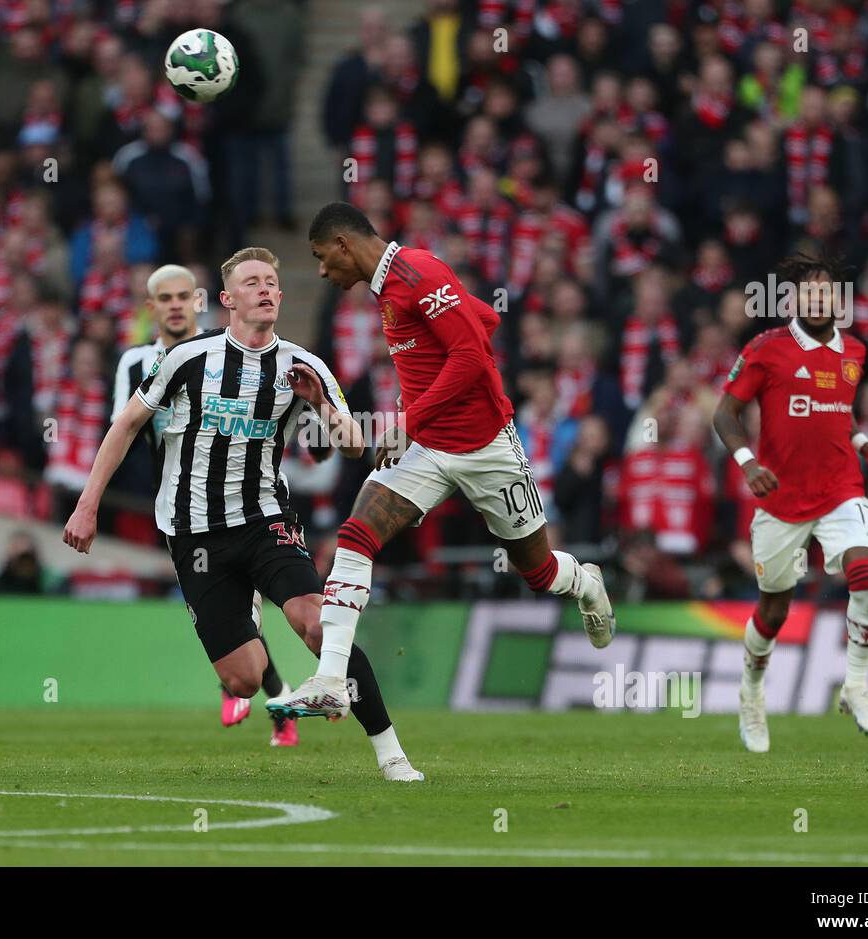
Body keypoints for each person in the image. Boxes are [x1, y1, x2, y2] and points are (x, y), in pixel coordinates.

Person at [64, 247, 424, 781]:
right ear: (228, 299)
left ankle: (392, 755)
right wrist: (87, 504)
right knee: (245, 680)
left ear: (279, 295)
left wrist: (321, 406)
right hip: (194, 534)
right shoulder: (187, 359)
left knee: (320, 625)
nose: (265, 289)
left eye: (272, 282)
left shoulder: (305, 364)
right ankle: (245, 627)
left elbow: (353, 447)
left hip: (265, 520)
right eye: (252, 282)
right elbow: (124, 425)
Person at [271, 202, 614, 727]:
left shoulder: (420, 272)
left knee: (539, 572)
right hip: (426, 449)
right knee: (356, 533)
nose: (320, 270)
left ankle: (586, 584)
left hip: (488, 447)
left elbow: (472, 356)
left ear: (344, 245)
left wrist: (408, 418)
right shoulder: (390, 289)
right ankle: (332, 680)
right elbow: (487, 319)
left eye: (321, 257)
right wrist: (417, 422)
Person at [713, 252, 868, 753]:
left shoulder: (855, 352)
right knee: (774, 610)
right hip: (780, 498)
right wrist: (750, 464)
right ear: (794, 298)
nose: (818, 300)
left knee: (864, 573)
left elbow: (840, 416)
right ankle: (752, 691)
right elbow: (724, 414)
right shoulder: (767, 348)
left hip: (841, 488)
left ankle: (856, 687)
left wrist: (866, 448)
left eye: (827, 293)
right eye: (809, 292)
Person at [112, 262, 298, 746]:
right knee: (229, 614)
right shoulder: (136, 363)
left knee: (245, 604)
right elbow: (124, 428)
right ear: (151, 308)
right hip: (181, 507)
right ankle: (271, 696)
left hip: (250, 506)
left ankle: (260, 697)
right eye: (165, 299)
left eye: (184, 297)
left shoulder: (229, 351)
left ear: (198, 302)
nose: (176, 306)